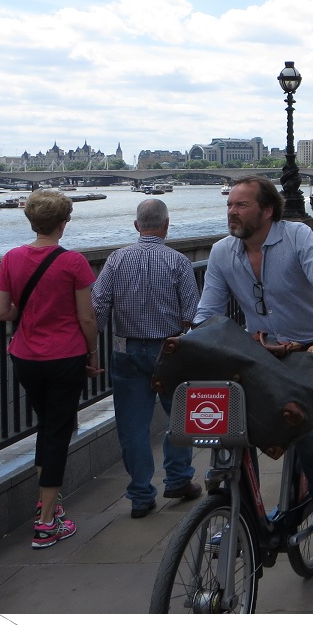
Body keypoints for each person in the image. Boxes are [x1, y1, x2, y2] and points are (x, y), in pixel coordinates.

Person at [194, 177, 313, 548]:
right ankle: (237, 512)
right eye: (229, 205)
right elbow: (208, 314)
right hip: (262, 353)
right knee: (230, 427)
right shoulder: (221, 253)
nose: (231, 211)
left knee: (303, 424)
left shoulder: (297, 237)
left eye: (241, 205)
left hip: (311, 349)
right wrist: (193, 346)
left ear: (266, 210)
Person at [0, 189, 100, 549]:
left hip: (24, 357)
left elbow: (1, 312)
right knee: (57, 432)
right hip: (64, 357)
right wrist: (92, 352)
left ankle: (48, 501)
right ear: (63, 223)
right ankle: (46, 523)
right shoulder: (73, 263)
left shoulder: (11, 258)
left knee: (48, 428)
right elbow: (87, 316)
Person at [92, 199, 201, 518]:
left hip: (126, 350)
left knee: (132, 425)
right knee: (180, 415)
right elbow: (192, 314)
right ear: (166, 225)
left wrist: (91, 344)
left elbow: (98, 309)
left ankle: (140, 495)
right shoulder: (178, 261)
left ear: (136, 225)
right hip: (169, 350)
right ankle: (178, 478)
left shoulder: (115, 260)